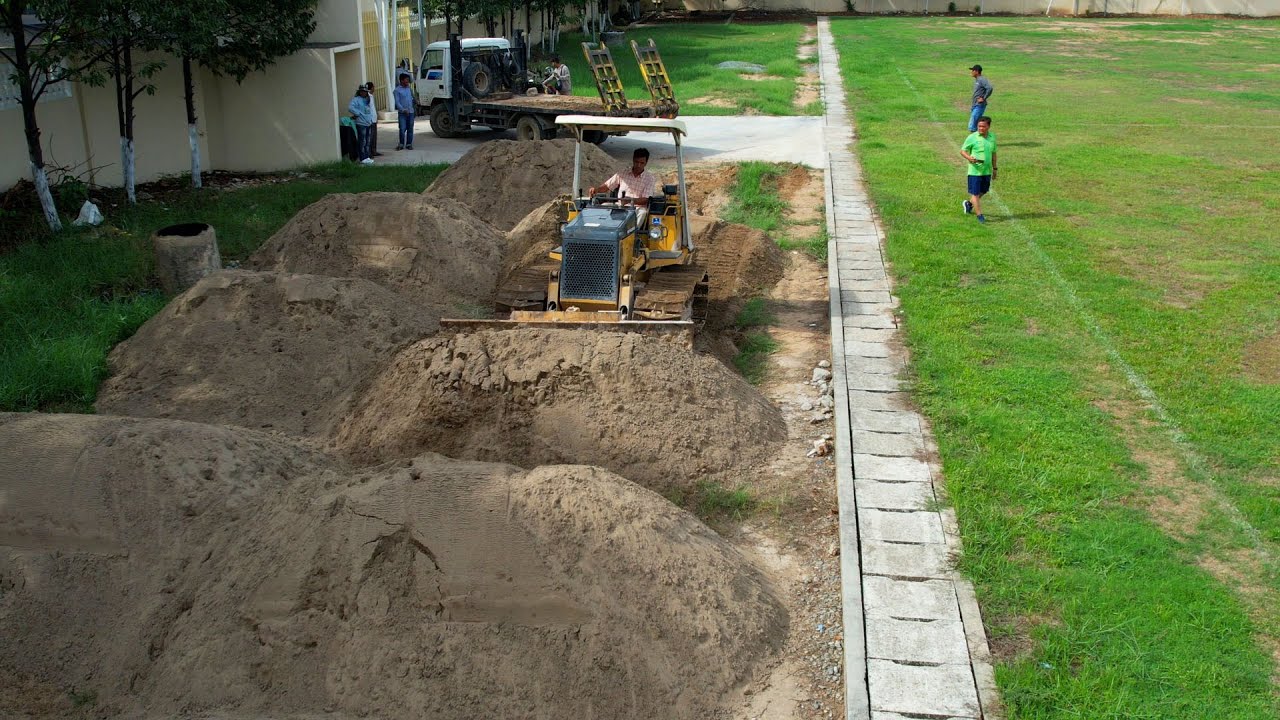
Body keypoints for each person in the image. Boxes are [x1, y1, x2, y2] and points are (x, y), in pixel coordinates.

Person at [587, 148, 657, 207]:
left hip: (638, 208)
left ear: (646, 163)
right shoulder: (622, 174)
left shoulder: (650, 179)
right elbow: (608, 186)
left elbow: (646, 199)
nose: (638, 165)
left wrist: (630, 200)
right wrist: (596, 190)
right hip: (620, 206)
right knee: (602, 207)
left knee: (642, 214)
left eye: (642, 163)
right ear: (633, 160)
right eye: (636, 162)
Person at [960, 116, 997, 223]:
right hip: (974, 171)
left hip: (987, 170)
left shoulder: (992, 137)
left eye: (983, 126)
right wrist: (969, 157)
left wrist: (995, 168)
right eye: (979, 126)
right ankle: (979, 215)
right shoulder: (972, 137)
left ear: (988, 127)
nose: (981, 128)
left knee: (984, 190)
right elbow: (963, 151)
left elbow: (994, 154)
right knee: (975, 193)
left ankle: (969, 204)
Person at [348, 85, 376, 164]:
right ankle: (362, 157)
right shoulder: (356, 99)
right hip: (361, 123)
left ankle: (366, 157)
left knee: (367, 141)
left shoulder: (368, 99)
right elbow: (350, 107)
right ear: (359, 92)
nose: (363, 93)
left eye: (365, 91)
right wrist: (357, 113)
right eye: (362, 91)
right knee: (362, 141)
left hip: (368, 122)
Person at [393, 72, 416, 150]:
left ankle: (409, 144)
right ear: (401, 80)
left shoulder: (409, 88)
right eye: (406, 80)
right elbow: (397, 102)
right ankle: (401, 143)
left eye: (408, 80)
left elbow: (412, 98)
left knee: (410, 128)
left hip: (411, 112)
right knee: (402, 129)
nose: (408, 82)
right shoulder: (397, 90)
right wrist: (403, 109)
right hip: (402, 113)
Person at [967, 64, 993, 133]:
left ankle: (974, 141)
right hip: (975, 105)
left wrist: (984, 98)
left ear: (977, 71)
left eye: (973, 70)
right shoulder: (977, 80)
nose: (971, 72)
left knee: (972, 125)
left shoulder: (982, 79)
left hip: (979, 105)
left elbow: (990, 88)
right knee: (975, 124)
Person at [364, 81, 382, 156]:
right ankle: (369, 152)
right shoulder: (367, 97)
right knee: (370, 137)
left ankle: (373, 151)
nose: (374, 88)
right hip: (370, 120)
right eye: (373, 87)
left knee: (374, 136)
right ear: (371, 88)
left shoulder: (371, 96)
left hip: (373, 119)